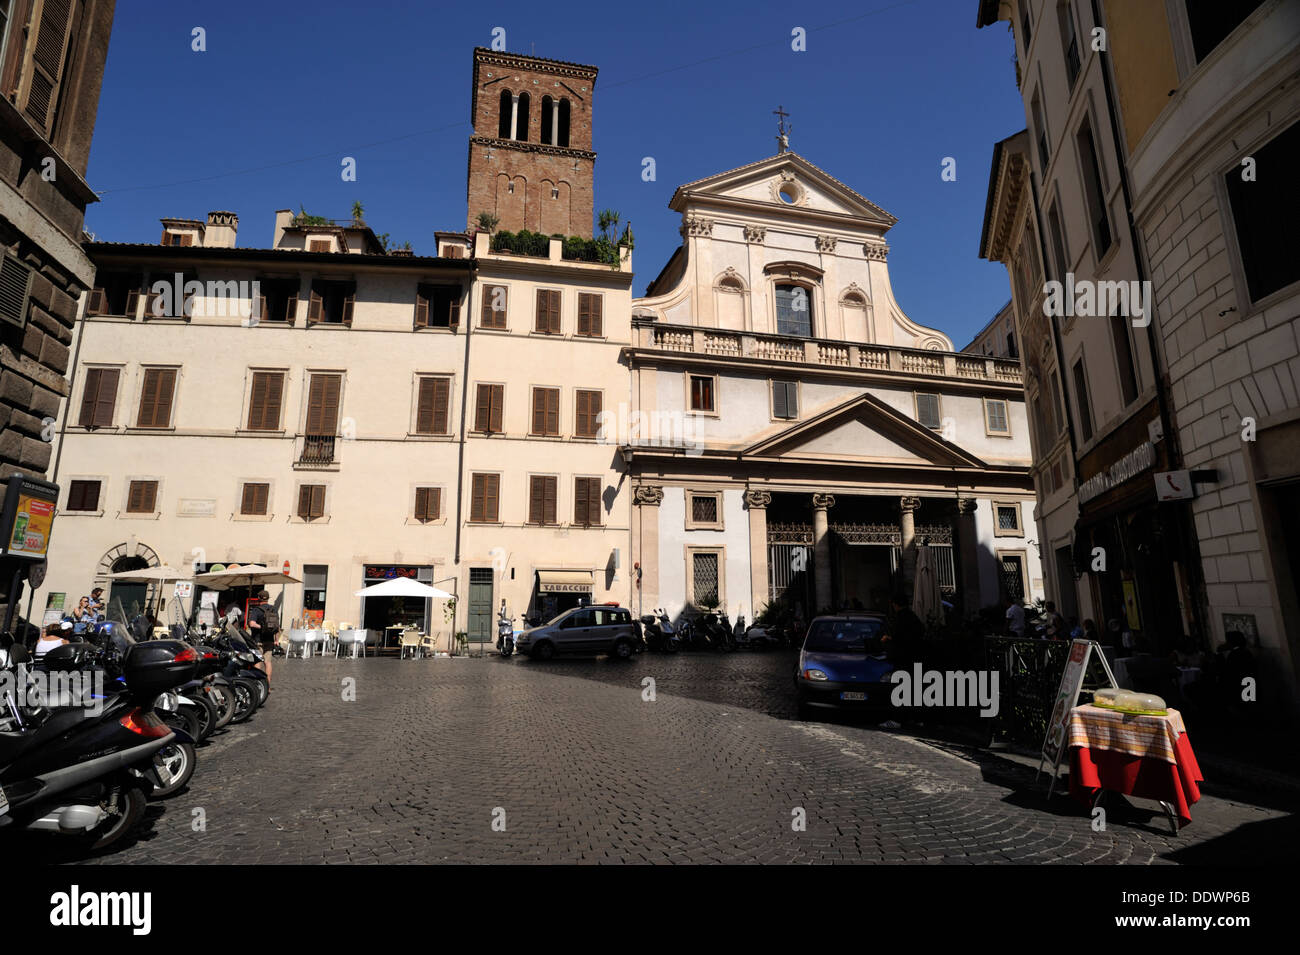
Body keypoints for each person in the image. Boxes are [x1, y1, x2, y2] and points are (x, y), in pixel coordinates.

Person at [248, 590, 278, 685]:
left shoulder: (256, 610)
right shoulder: (274, 609)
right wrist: (276, 640)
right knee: (268, 662)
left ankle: (257, 685)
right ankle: (267, 685)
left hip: (258, 640)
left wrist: (261, 627)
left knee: (257, 661)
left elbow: (251, 623)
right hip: (269, 640)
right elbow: (277, 627)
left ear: (258, 598)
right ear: (268, 599)